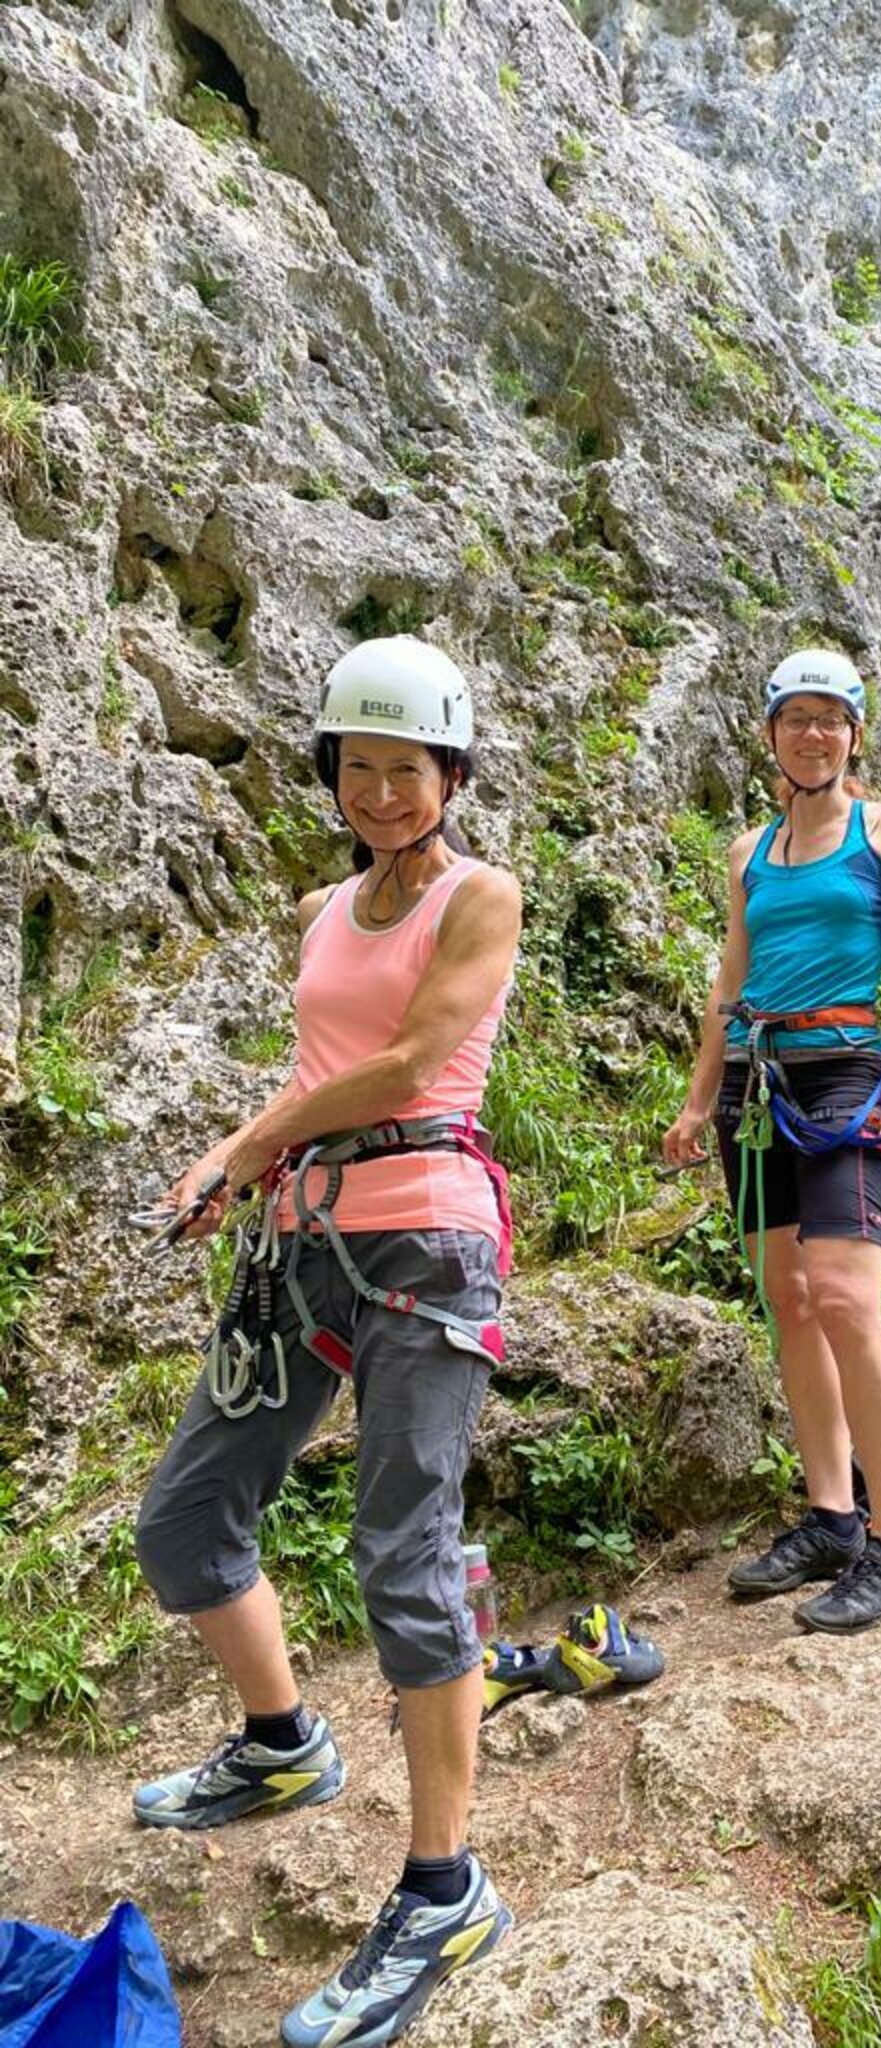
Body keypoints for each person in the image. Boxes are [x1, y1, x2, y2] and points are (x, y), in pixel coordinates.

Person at [132, 636, 523, 2048]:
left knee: (407, 1551)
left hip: (429, 1238)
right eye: (355, 768)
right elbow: (317, 1072)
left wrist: (247, 1137)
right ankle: (285, 1744)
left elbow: (415, 1062)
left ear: (451, 775)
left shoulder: (484, 897)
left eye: (404, 770)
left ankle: (444, 1886)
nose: (378, 792)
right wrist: (236, 1175)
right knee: (184, 1522)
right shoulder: (321, 908)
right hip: (300, 1242)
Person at [662, 649, 881, 1630]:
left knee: (843, 1296)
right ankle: (830, 1515)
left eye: (833, 718)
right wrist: (701, 1102)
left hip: (846, 1073)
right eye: (798, 717)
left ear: (855, 733)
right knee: (788, 1298)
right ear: (771, 734)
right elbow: (728, 984)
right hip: (758, 1077)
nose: (815, 732)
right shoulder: (751, 851)